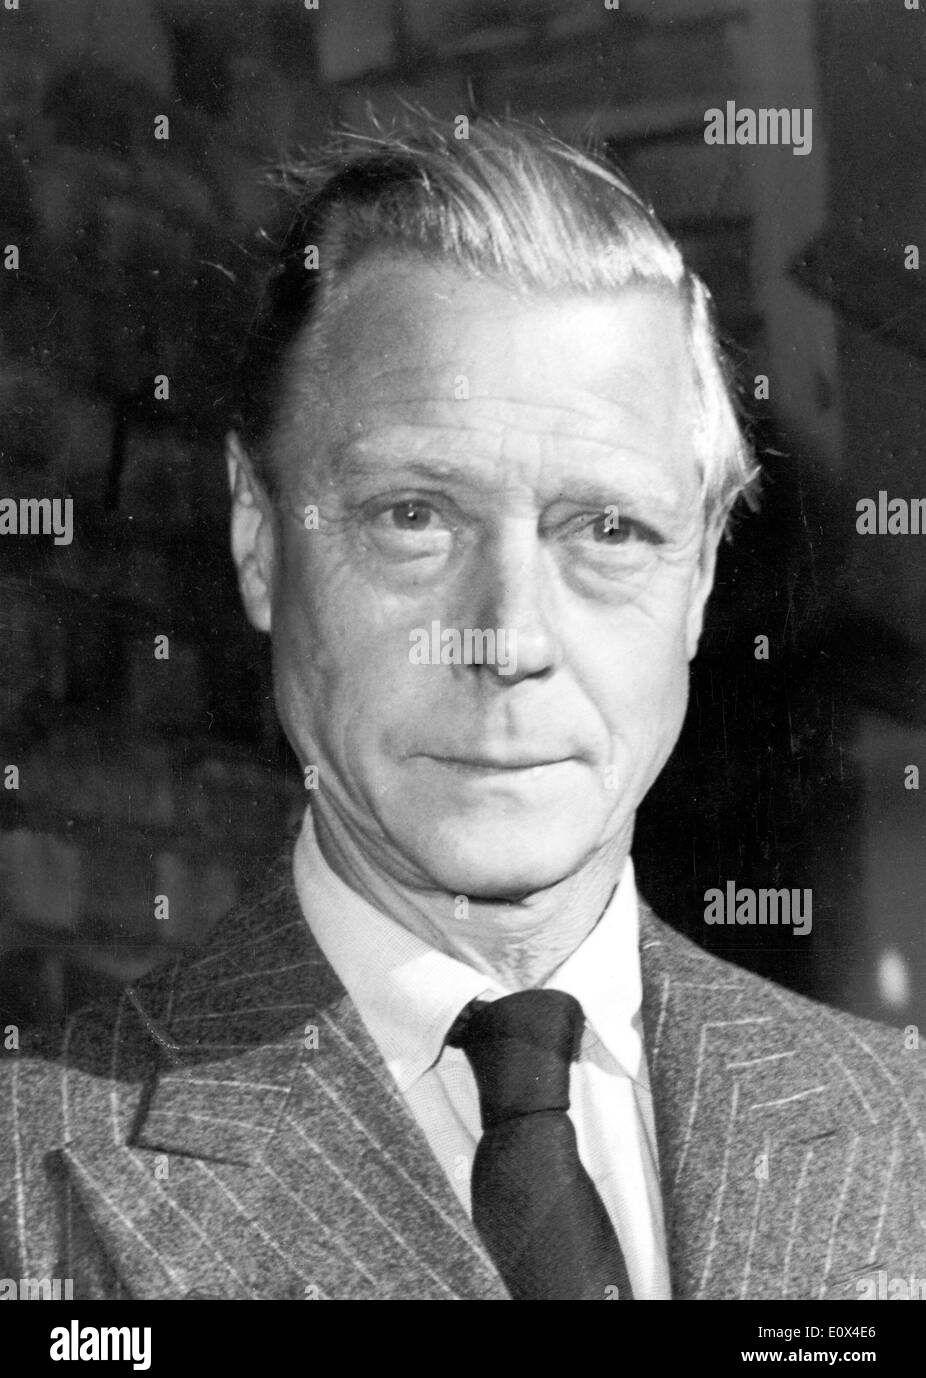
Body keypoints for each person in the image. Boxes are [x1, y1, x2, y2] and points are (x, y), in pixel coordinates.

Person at [2, 117, 923, 1302]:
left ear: (697, 581)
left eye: (608, 531)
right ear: (257, 537)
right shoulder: (30, 1191)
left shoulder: (901, 1143)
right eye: (413, 516)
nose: (508, 640)